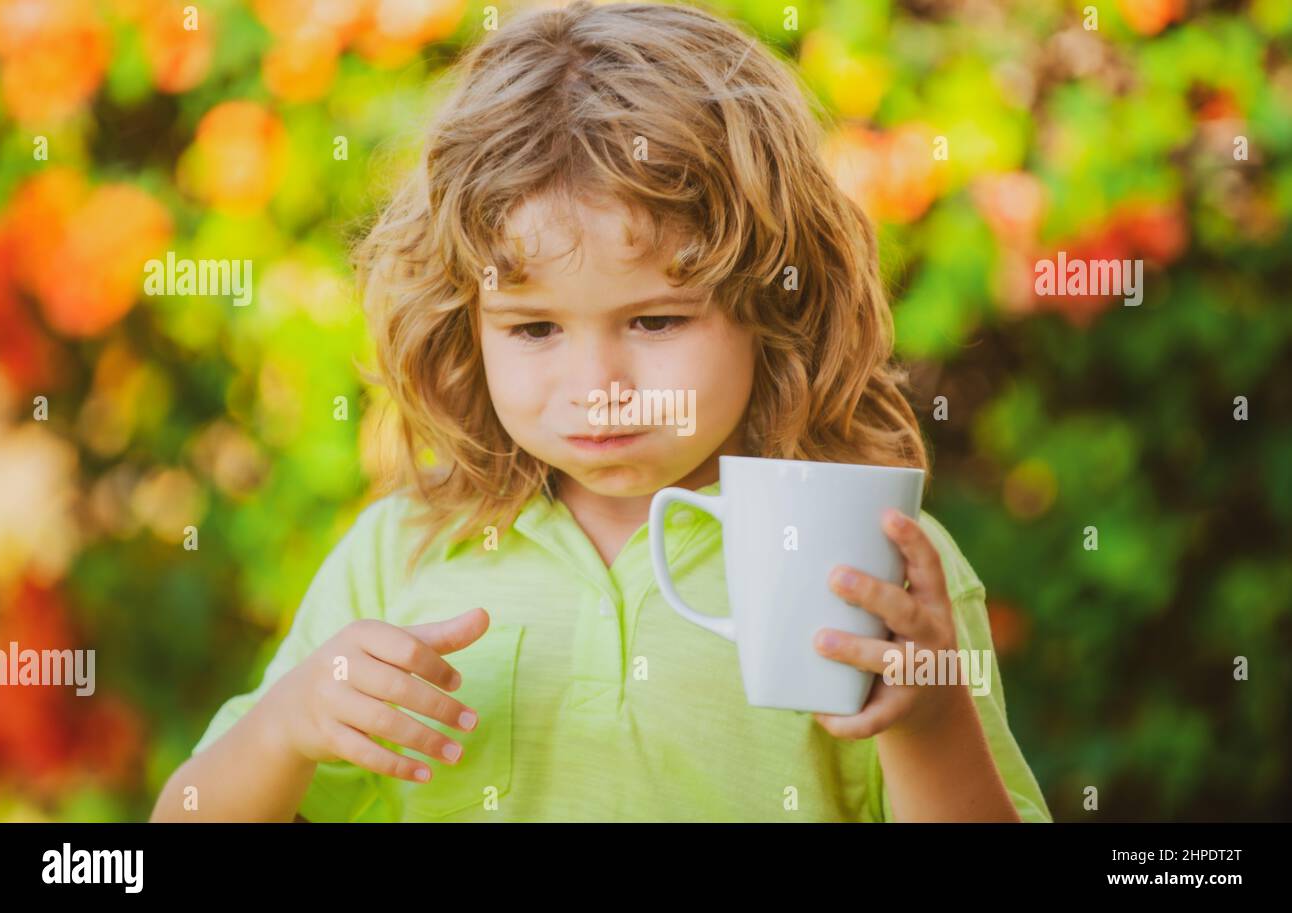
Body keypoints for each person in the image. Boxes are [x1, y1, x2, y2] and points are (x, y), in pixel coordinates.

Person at [151, 1, 1050, 823]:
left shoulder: (867, 567)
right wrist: (285, 727)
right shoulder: (406, 549)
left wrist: (929, 717)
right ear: (467, 324)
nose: (600, 382)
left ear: (776, 304)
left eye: (656, 319)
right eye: (534, 326)